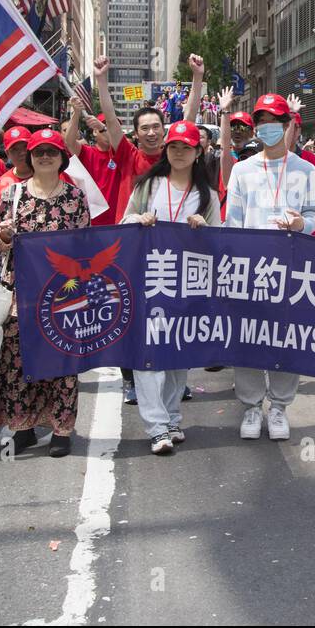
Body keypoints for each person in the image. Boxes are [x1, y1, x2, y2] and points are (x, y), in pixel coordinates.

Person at [93, 55, 205, 404]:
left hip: (171, 249)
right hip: (129, 246)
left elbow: (188, 120)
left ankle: (174, 377)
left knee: (171, 313)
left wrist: (197, 79)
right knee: (128, 313)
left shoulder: (173, 155)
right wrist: (101, 81)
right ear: (136, 133)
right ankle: (131, 379)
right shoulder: (126, 154)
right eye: (145, 128)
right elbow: (111, 119)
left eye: (158, 127)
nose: (153, 132)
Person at [0, 129, 91, 459]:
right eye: (38, 152)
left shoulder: (75, 197)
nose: (45, 156)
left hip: (64, 295)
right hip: (23, 295)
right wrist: (2, 234)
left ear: (61, 158)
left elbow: (86, 244)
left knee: (62, 361)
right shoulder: (13, 194)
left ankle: (61, 428)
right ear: (29, 158)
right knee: (19, 361)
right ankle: (23, 427)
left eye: (51, 151)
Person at [225, 93, 315, 441]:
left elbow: (314, 214)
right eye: (261, 122)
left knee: (286, 341)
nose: (268, 128)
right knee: (249, 338)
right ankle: (251, 407)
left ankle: (279, 407)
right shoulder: (242, 170)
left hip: (293, 269)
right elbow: (232, 222)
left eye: (274, 122)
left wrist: (302, 225)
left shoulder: (305, 169)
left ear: (288, 125)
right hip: (251, 269)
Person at [120, 121, 220, 454]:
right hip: (148, 282)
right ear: (165, 149)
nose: (179, 153)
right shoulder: (148, 186)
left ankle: (172, 415)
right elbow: (123, 225)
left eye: (186, 147)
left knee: (179, 355)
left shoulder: (207, 195)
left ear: (198, 152)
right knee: (148, 355)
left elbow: (220, 243)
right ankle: (157, 426)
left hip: (188, 285)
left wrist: (205, 228)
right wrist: (139, 221)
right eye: (173, 146)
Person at [66, 58, 134, 227]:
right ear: (94, 132)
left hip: (119, 220)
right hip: (91, 221)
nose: (110, 133)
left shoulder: (123, 154)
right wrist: (76, 114)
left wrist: (105, 126)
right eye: (104, 130)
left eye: (114, 129)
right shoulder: (88, 152)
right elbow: (69, 142)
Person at [0, 126, 33, 221]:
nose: (22, 153)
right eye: (15, 149)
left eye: (25, 147)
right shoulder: (2, 184)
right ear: (7, 153)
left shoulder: (52, 176)